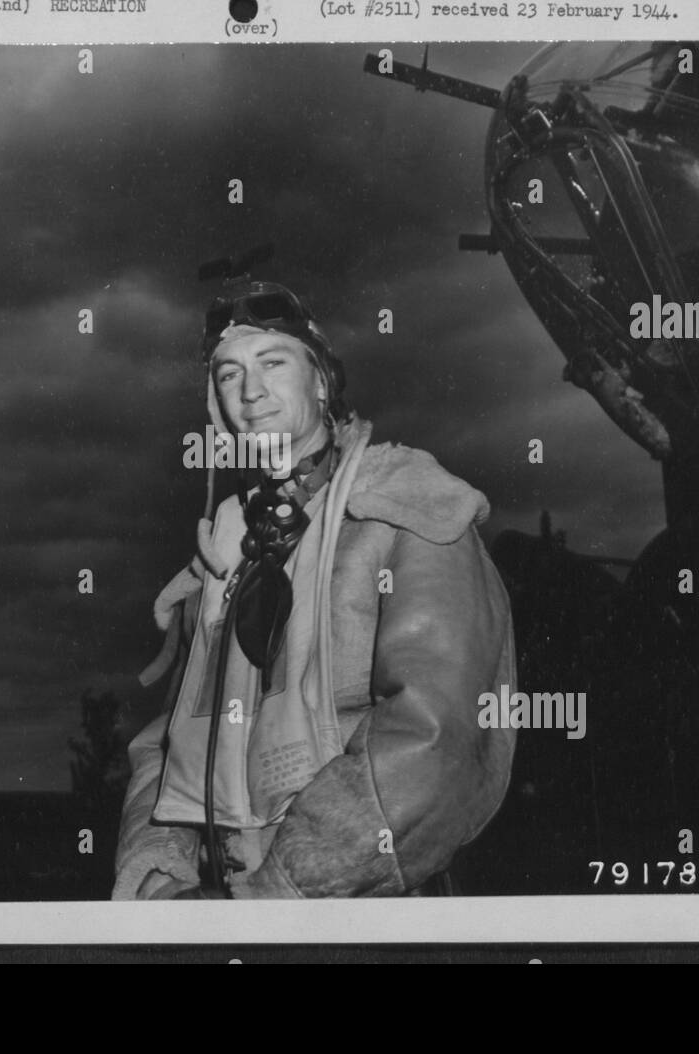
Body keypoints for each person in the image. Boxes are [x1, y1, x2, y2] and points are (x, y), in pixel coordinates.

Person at [113, 281, 517, 899]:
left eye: (273, 363)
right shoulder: (220, 556)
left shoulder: (408, 510)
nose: (250, 392)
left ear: (322, 383)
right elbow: (165, 747)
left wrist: (279, 893)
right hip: (219, 916)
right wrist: (160, 884)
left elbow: (437, 740)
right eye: (229, 375)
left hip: (354, 918)